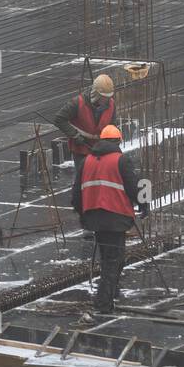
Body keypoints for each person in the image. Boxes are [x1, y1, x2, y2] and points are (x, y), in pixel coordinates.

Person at [71, 124, 145, 319]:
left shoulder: (86, 161)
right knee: (114, 260)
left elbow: (76, 195)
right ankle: (103, 303)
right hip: (115, 218)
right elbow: (133, 187)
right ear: (118, 141)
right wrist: (143, 205)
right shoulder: (120, 160)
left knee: (107, 259)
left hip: (95, 219)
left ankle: (108, 296)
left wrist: (82, 215)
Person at [52, 74, 117, 171]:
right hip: (82, 151)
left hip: (102, 150)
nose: (106, 100)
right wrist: (75, 135)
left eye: (108, 97)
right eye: (104, 97)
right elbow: (59, 119)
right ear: (96, 94)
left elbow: (112, 126)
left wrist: (111, 144)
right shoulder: (77, 103)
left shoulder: (111, 105)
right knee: (83, 179)